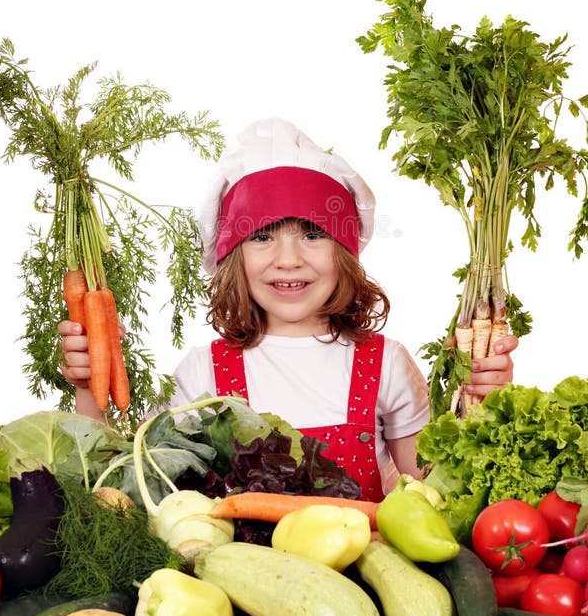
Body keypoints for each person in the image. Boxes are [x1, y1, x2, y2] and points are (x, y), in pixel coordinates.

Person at [59, 118, 517, 500]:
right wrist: (88, 386)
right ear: (231, 256)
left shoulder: (386, 363)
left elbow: (434, 491)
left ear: (346, 253)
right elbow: (131, 484)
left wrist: (485, 400)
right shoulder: (204, 374)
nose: (288, 259)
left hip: (371, 597)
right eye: (262, 236)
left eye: (313, 234)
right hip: (240, 599)